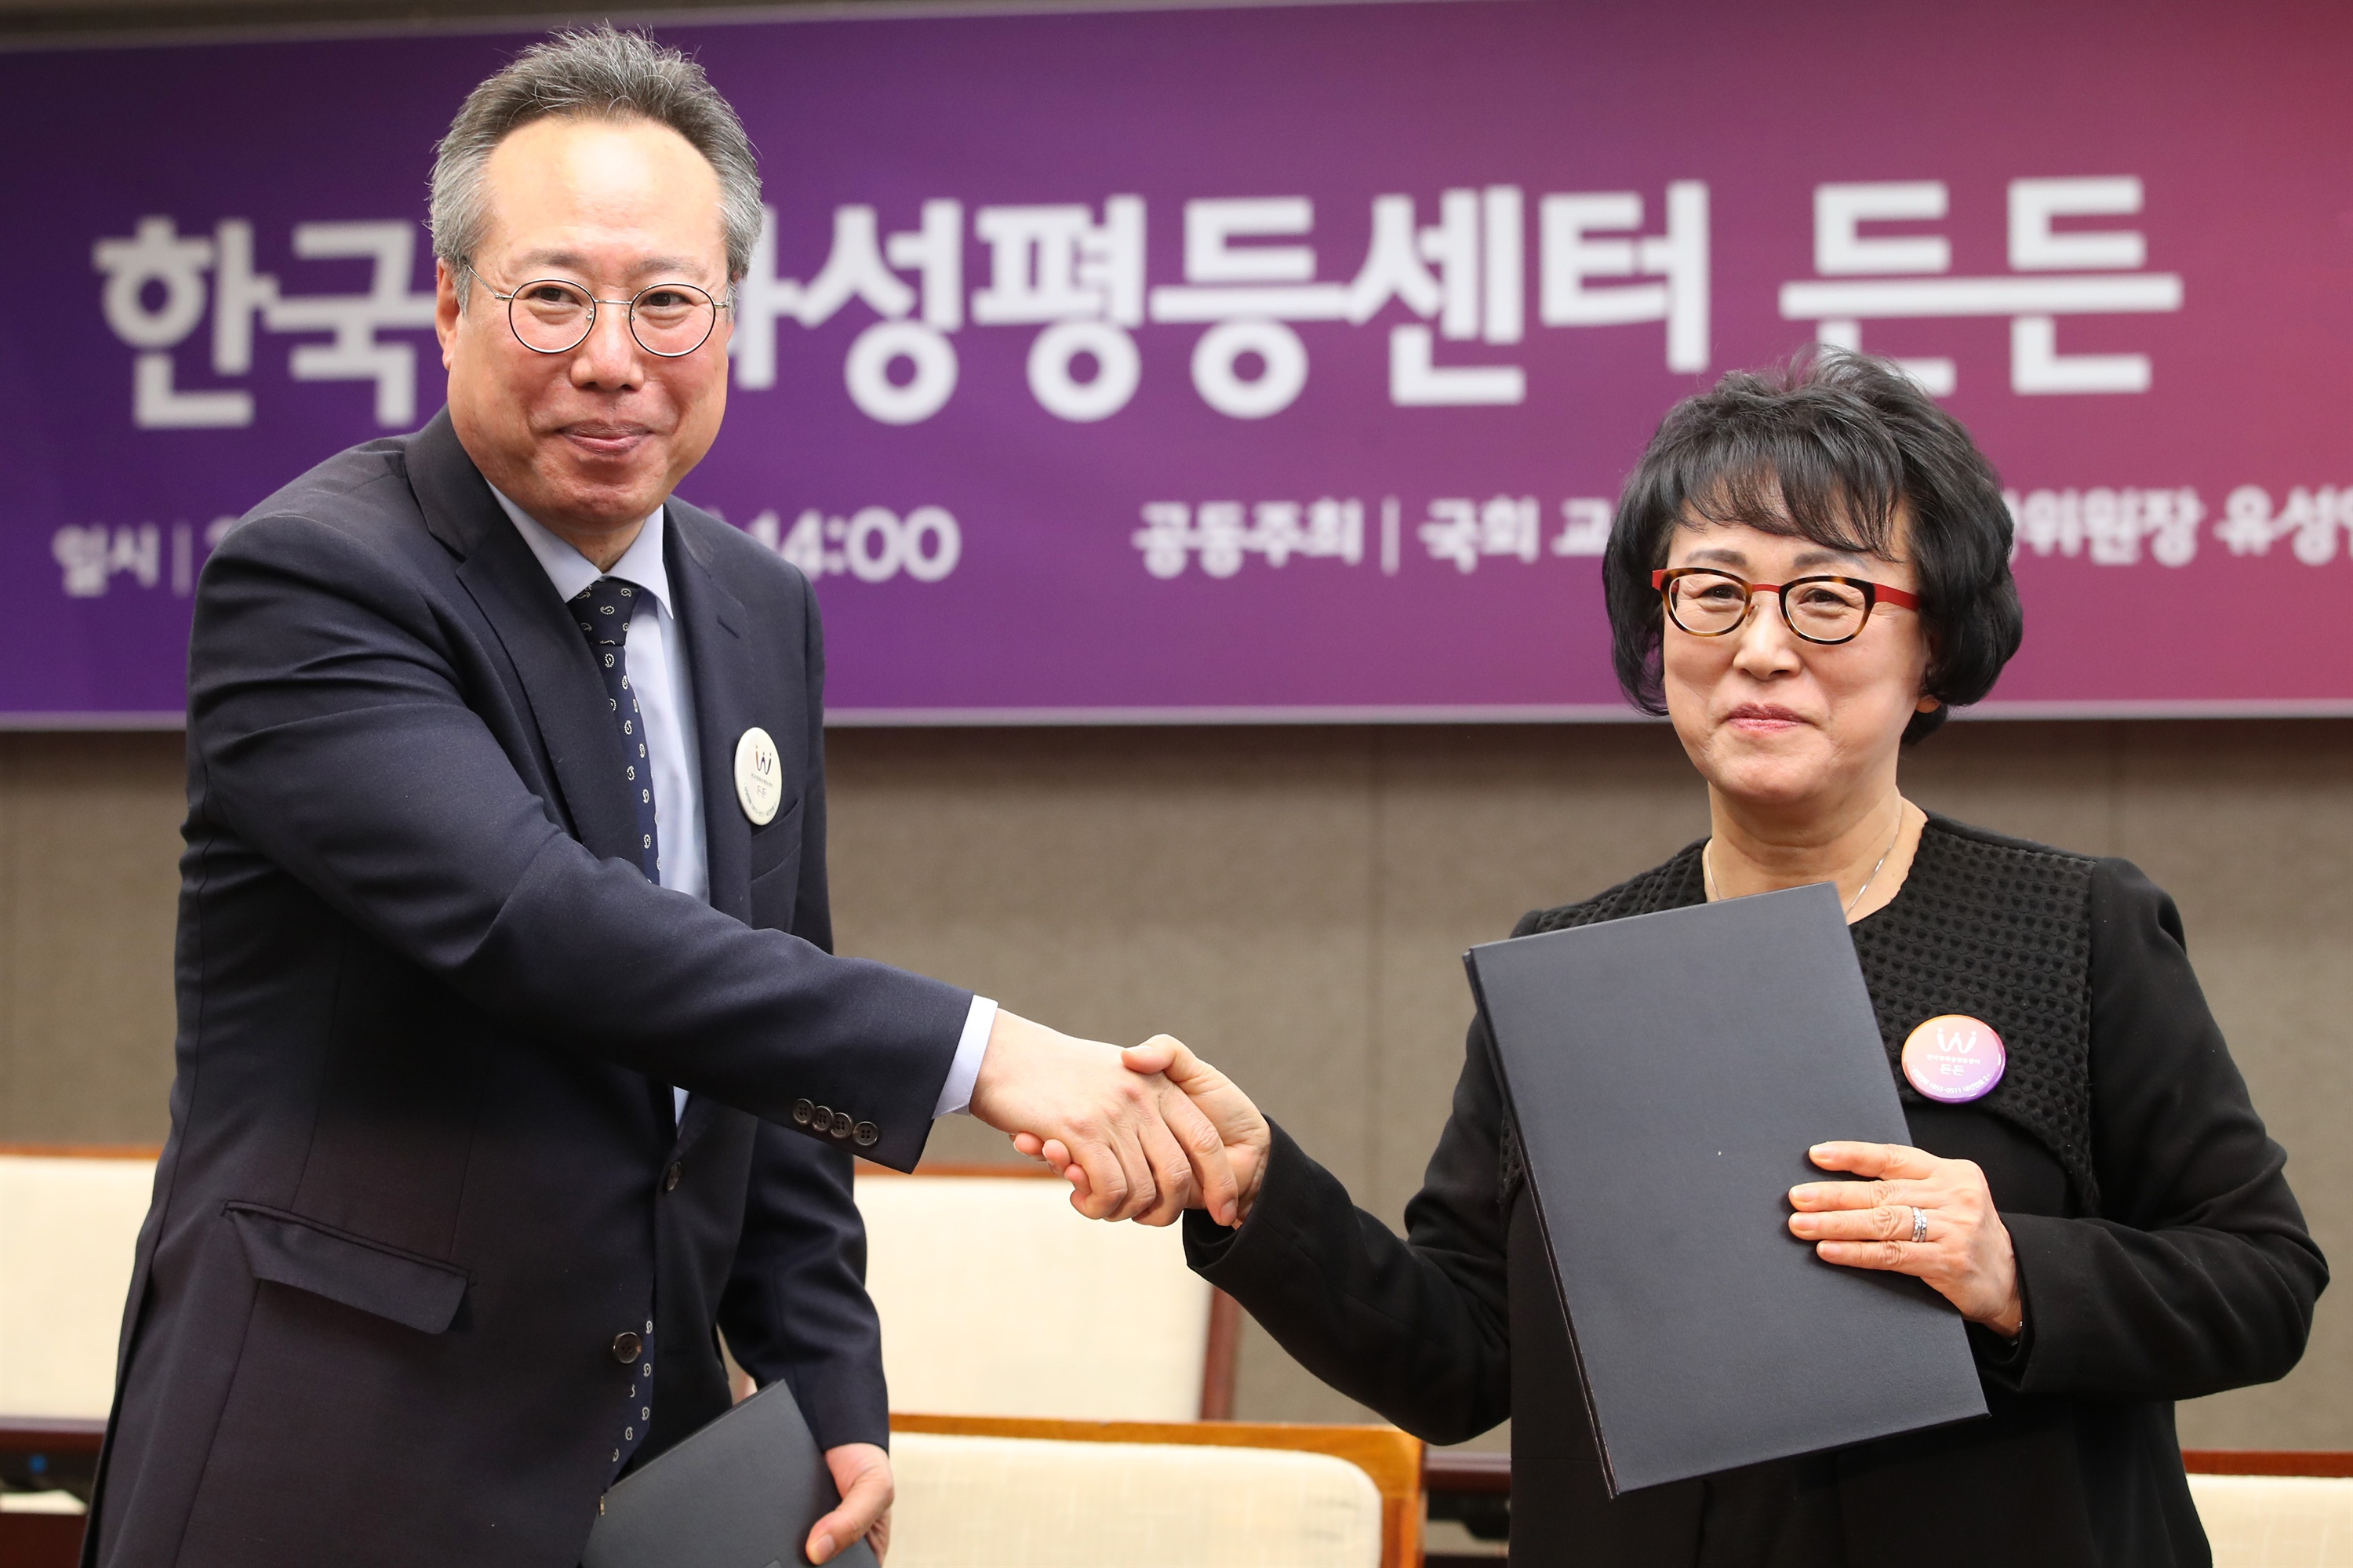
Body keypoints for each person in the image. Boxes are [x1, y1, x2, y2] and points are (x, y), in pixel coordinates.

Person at [85, 29, 1231, 1568]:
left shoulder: (756, 604)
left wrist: (826, 1381)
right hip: (341, 1449)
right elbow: (536, 921)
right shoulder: (317, 579)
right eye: (553, 295)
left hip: (656, 1473)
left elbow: (768, 1020)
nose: (614, 358)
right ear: (449, 302)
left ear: (730, 318)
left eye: (668, 301)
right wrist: (984, 1053)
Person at [1053, 351, 2328, 1566]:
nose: (1760, 647)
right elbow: (1461, 1361)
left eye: (1827, 596)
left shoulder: (2072, 927)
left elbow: (2263, 1280)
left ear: (1934, 649)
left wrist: (2011, 1273)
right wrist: (1259, 1192)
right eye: (1713, 592)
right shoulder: (1574, 968)